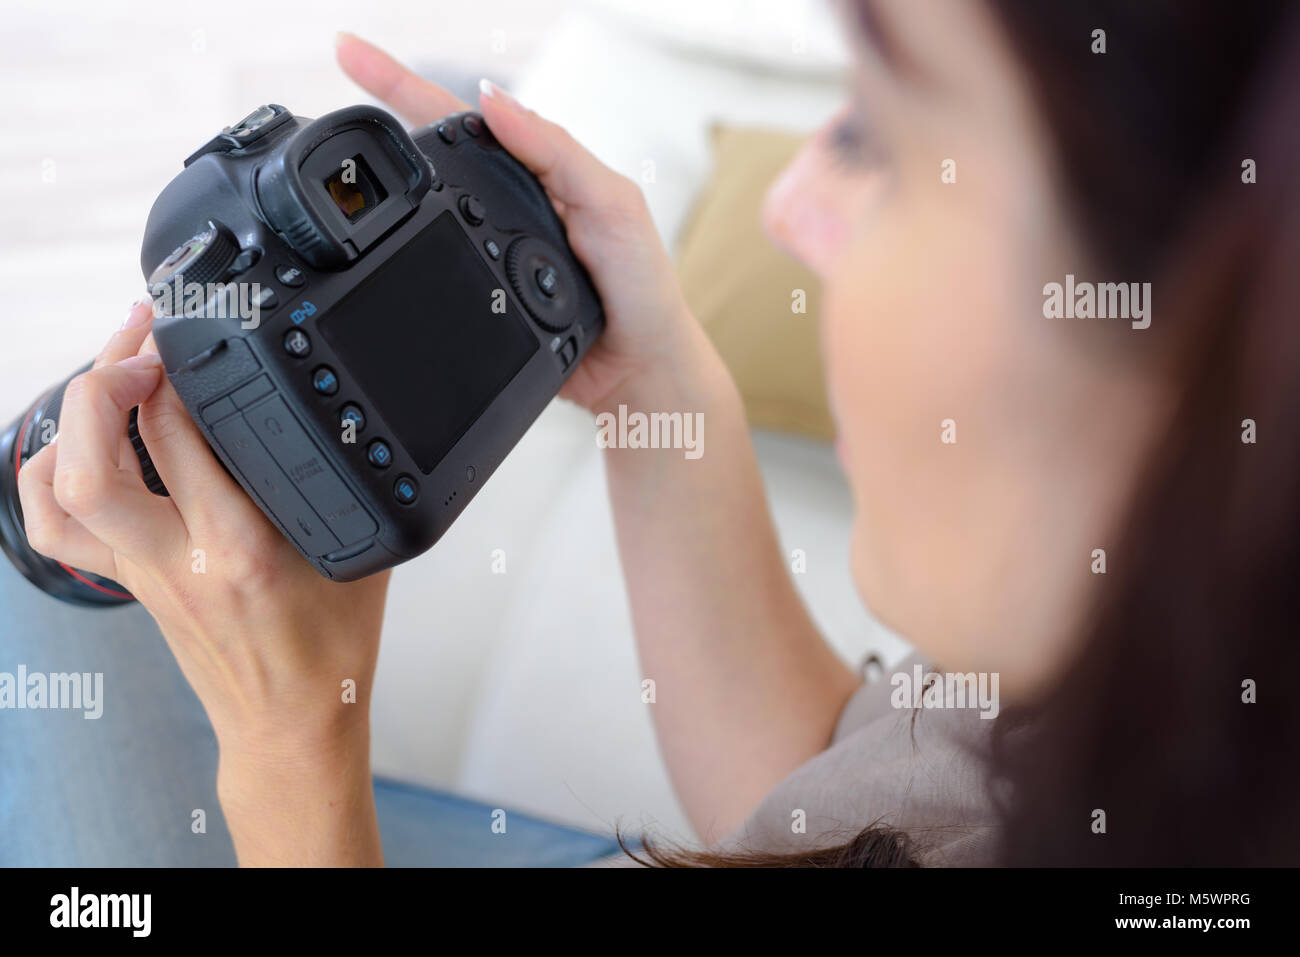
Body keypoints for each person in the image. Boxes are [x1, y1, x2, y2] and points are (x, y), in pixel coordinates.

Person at [7, 0, 1298, 867]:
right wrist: (656, 371)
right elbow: (829, 793)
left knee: (42, 581)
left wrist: (295, 750)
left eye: (878, 138)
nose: (787, 206)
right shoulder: (1132, 695)